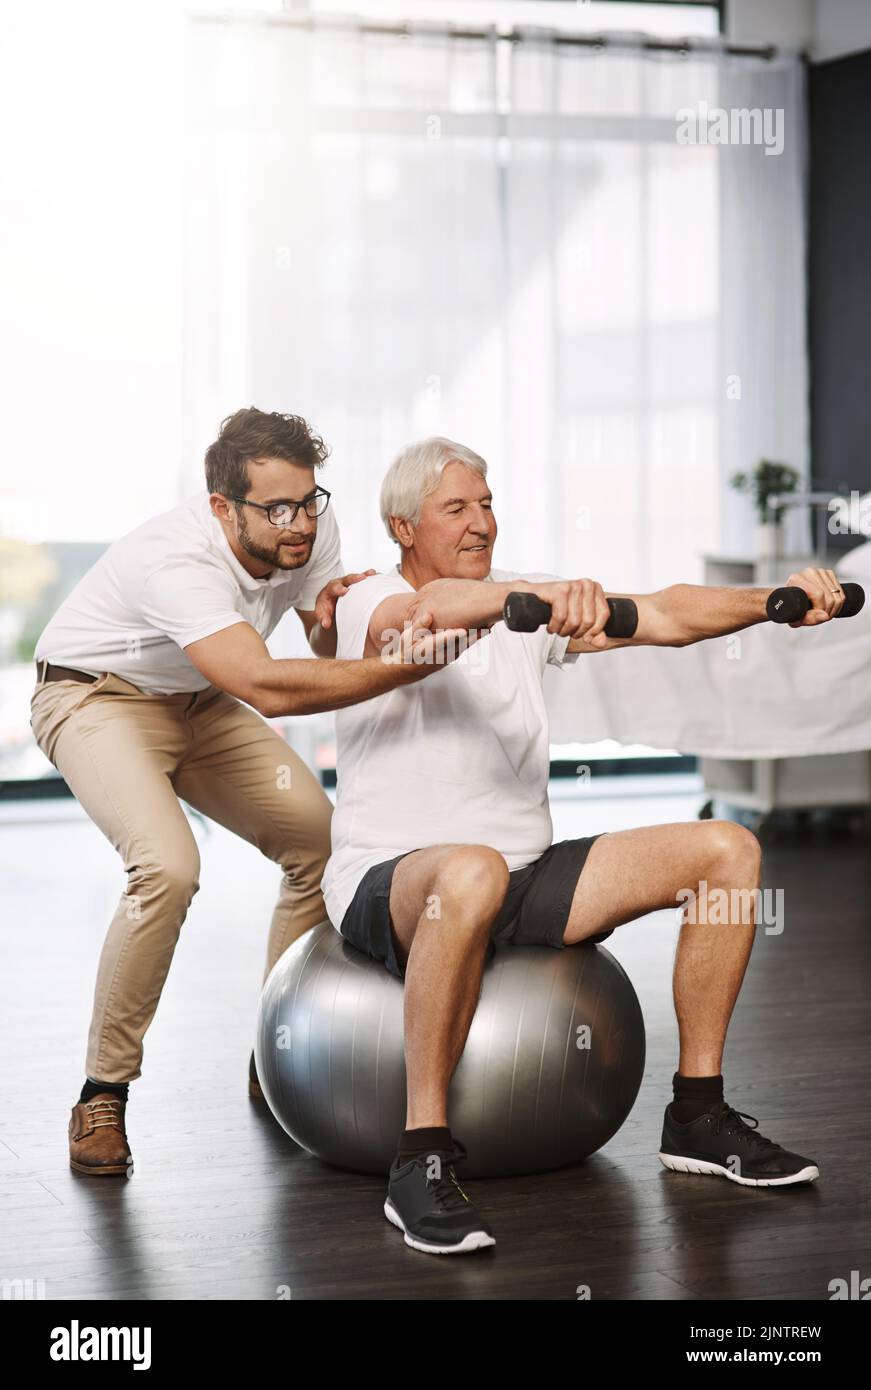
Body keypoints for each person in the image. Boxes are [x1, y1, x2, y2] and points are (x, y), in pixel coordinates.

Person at [322, 435, 846, 1256]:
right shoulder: (366, 598)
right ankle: (419, 1158)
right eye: (455, 508)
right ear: (401, 528)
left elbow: (666, 611)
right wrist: (520, 599)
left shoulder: (520, 602)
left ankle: (698, 1116)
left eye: (486, 502)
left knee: (726, 850)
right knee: (469, 868)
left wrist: (773, 599)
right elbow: (419, 621)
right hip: (396, 878)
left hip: (522, 874)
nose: (479, 522)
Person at [30, 408, 462, 1178]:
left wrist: (331, 618)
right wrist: (406, 667)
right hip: (94, 697)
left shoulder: (306, 527)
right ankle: (102, 1093)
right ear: (222, 507)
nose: (298, 524)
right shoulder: (177, 558)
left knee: (319, 844)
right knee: (167, 868)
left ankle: (277, 1053)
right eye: (275, 509)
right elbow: (269, 685)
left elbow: (318, 643)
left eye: (308, 500)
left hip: (198, 700)